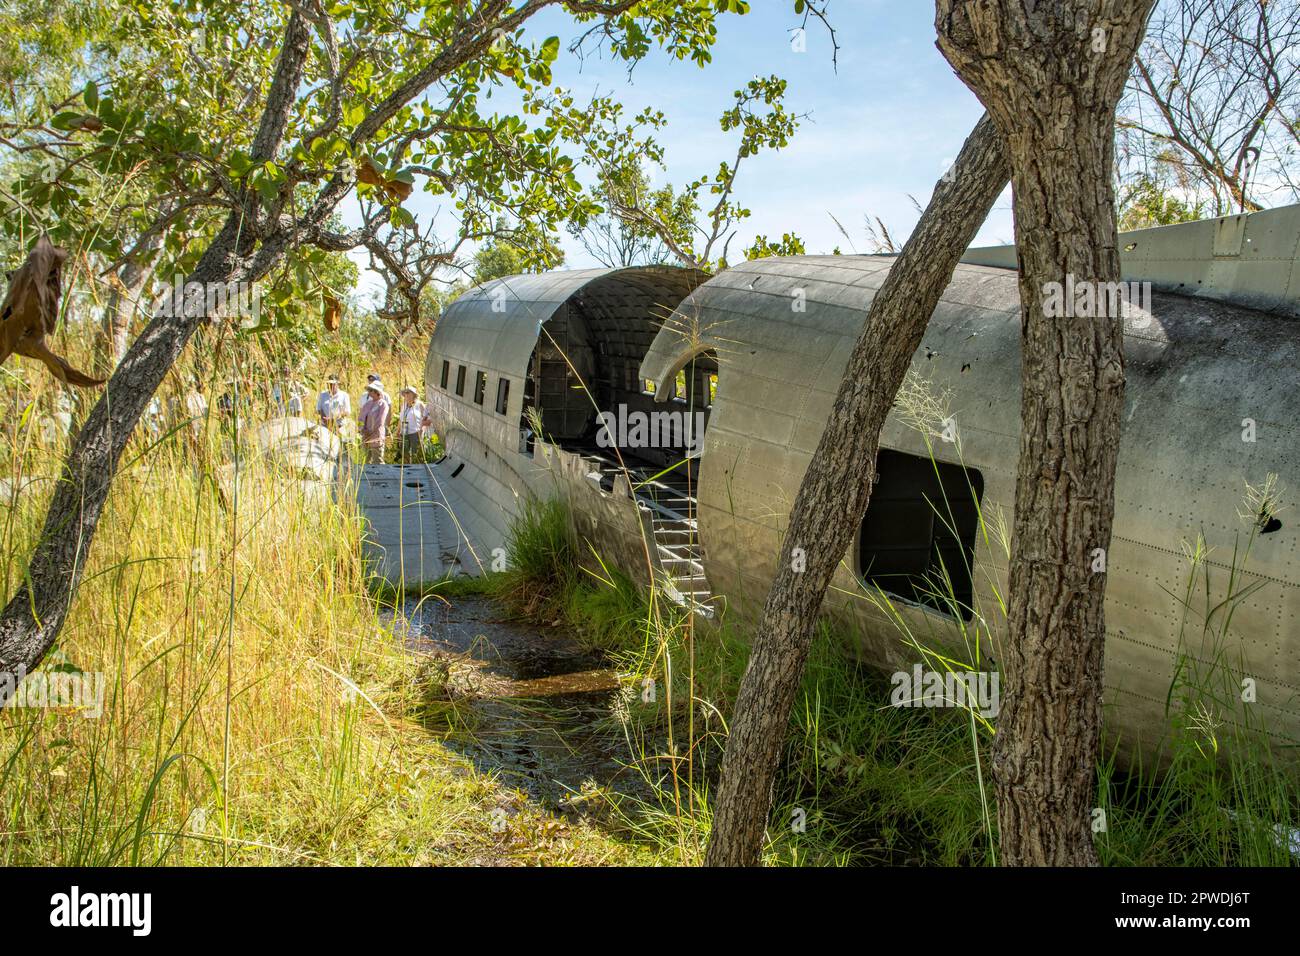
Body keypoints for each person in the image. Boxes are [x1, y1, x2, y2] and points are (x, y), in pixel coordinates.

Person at [358, 382, 390, 464]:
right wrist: (362, 430)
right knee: (365, 460)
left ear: (377, 392)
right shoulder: (368, 404)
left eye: (371, 390)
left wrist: (371, 432)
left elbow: (381, 421)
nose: (369, 392)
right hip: (365, 436)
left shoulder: (383, 404)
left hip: (376, 436)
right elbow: (361, 418)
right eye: (369, 390)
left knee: (377, 460)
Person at [397, 385, 428, 463]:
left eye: (408, 392)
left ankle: (419, 469)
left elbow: (426, 418)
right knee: (405, 453)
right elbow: (400, 419)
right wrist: (398, 431)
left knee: (416, 454)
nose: (406, 394)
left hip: (415, 432)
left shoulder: (419, 404)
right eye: (405, 393)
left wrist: (422, 430)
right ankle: (407, 469)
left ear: (414, 394)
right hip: (404, 432)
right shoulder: (403, 405)